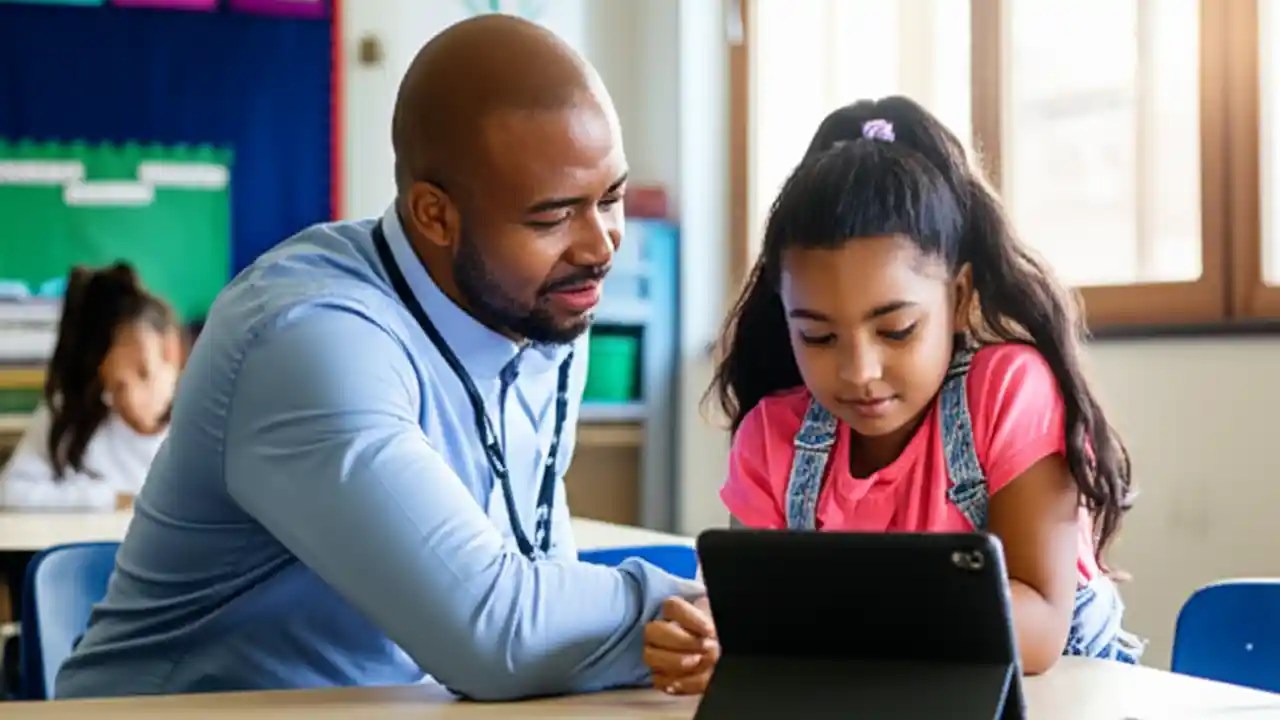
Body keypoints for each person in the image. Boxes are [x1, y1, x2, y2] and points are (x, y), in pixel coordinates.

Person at [56, 15, 701, 701]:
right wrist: (715, 613)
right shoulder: (307, 339)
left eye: (612, 198)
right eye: (552, 217)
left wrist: (681, 638)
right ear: (434, 215)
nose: (600, 245)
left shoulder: (538, 308)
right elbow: (498, 634)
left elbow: (544, 597)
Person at [642, 97, 1144, 695]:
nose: (859, 370)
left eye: (896, 330)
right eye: (818, 335)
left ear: (959, 298)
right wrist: (708, 636)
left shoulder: (1009, 391)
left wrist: (812, 623)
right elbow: (749, 613)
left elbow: (1036, 630)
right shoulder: (771, 437)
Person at [0, 262, 182, 511]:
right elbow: (11, 492)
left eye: (143, 373)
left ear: (171, 353)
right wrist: (114, 500)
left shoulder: (206, 424)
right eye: (117, 388)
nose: (132, 399)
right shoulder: (73, 417)